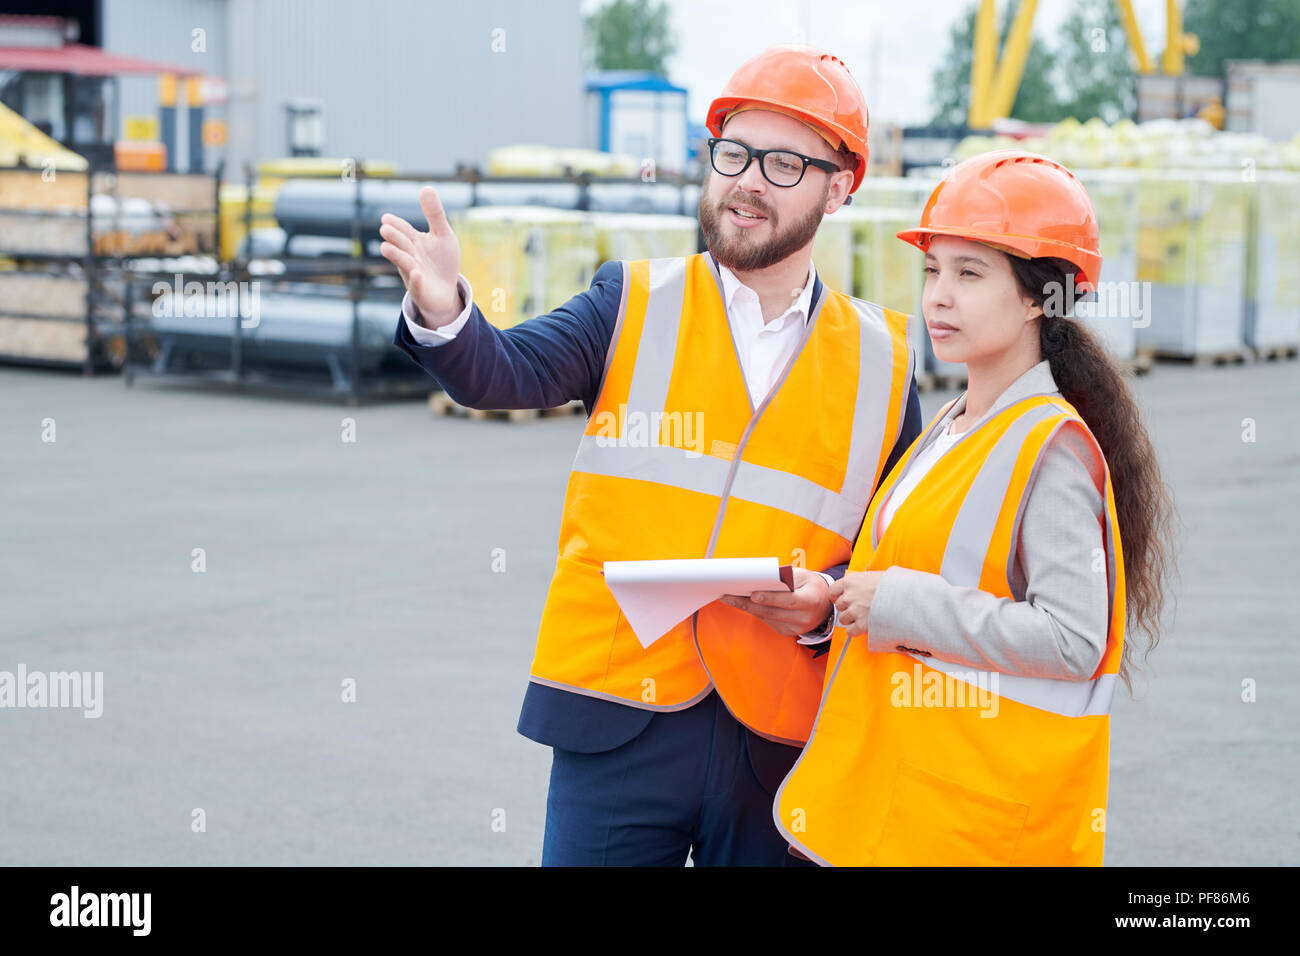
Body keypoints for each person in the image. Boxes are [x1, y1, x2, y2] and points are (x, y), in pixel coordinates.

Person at [379, 44, 922, 866]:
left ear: (840, 186)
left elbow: (901, 550)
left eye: (781, 163)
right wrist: (447, 306)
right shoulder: (631, 300)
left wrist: (828, 603)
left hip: (781, 738)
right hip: (616, 722)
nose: (745, 180)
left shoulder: (884, 362)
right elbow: (503, 372)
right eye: (733, 154)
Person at [774, 149, 1179, 866]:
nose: (938, 297)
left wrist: (899, 601)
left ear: (1036, 298)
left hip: (969, 818)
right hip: (897, 798)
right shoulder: (952, 425)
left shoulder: (1049, 447)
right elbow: (925, 575)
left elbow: (1074, 640)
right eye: (933, 271)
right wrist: (832, 601)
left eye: (970, 273)